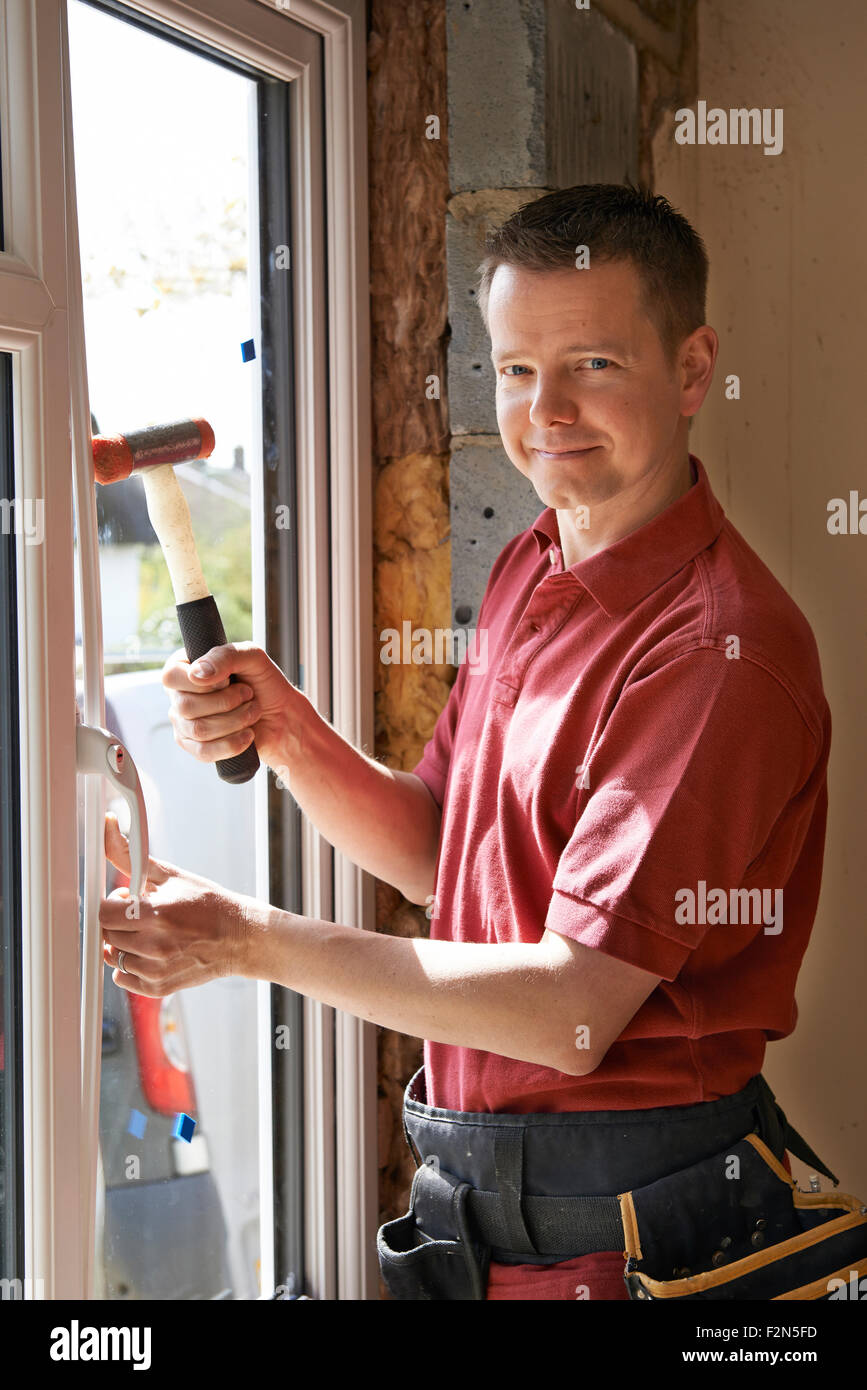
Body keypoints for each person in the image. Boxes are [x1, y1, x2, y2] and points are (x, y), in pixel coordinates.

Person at [100, 183, 831, 1301]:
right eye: (518, 369)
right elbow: (444, 855)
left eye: (593, 363)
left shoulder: (717, 650)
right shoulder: (533, 565)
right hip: (485, 1229)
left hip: (629, 1245)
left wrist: (249, 938)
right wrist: (288, 729)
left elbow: (570, 1010)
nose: (545, 410)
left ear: (692, 371)